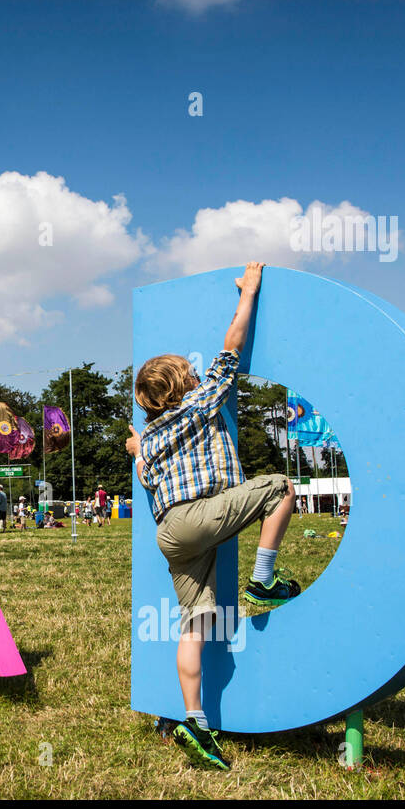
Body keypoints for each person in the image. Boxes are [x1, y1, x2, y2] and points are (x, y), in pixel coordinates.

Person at [126, 262, 297, 772]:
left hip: (170, 533)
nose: (201, 375)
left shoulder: (151, 438)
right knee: (280, 488)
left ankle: (195, 722)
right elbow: (233, 343)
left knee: (194, 624)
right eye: (192, 372)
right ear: (186, 383)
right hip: (199, 517)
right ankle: (263, 581)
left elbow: (147, 479)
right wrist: (248, 293)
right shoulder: (201, 402)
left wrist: (137, 449)